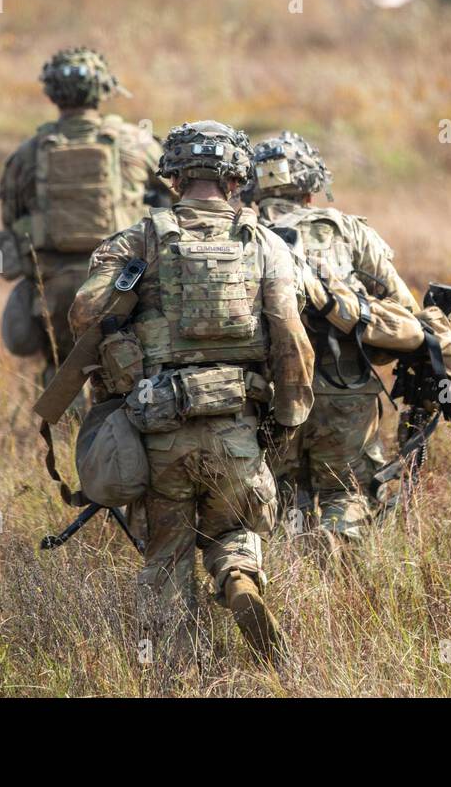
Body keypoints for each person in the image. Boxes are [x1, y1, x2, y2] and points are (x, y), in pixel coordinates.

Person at [67, 120, 314, 664]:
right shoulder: (267, 245)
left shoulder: (139, 239)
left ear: (173, 177)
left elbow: (83, 312)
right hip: (238, 426)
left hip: (160, 431)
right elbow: (292, 339)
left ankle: (179, 670)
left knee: (167, 556)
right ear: (236, 178)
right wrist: (287, 418)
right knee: (233, 526)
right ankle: (239, 580)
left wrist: (131, 292)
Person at [244, 132, 419, 554]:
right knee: (349, 492)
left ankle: (294, 583)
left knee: (283, 498)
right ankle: (342, 557)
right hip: (346, 393)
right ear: (311, 184)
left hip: (270, 395)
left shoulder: (242, 237)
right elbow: (404, 311)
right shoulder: (346, 230)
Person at [0, 48, 164, 383]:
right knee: (132, 375)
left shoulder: (28, 154)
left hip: (54, 291)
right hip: (127, 283)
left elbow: (11, 221)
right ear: (103, 89)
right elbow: (177, 201)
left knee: (63, 376)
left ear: (51, 91)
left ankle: (65, 431)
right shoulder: (137, 143)